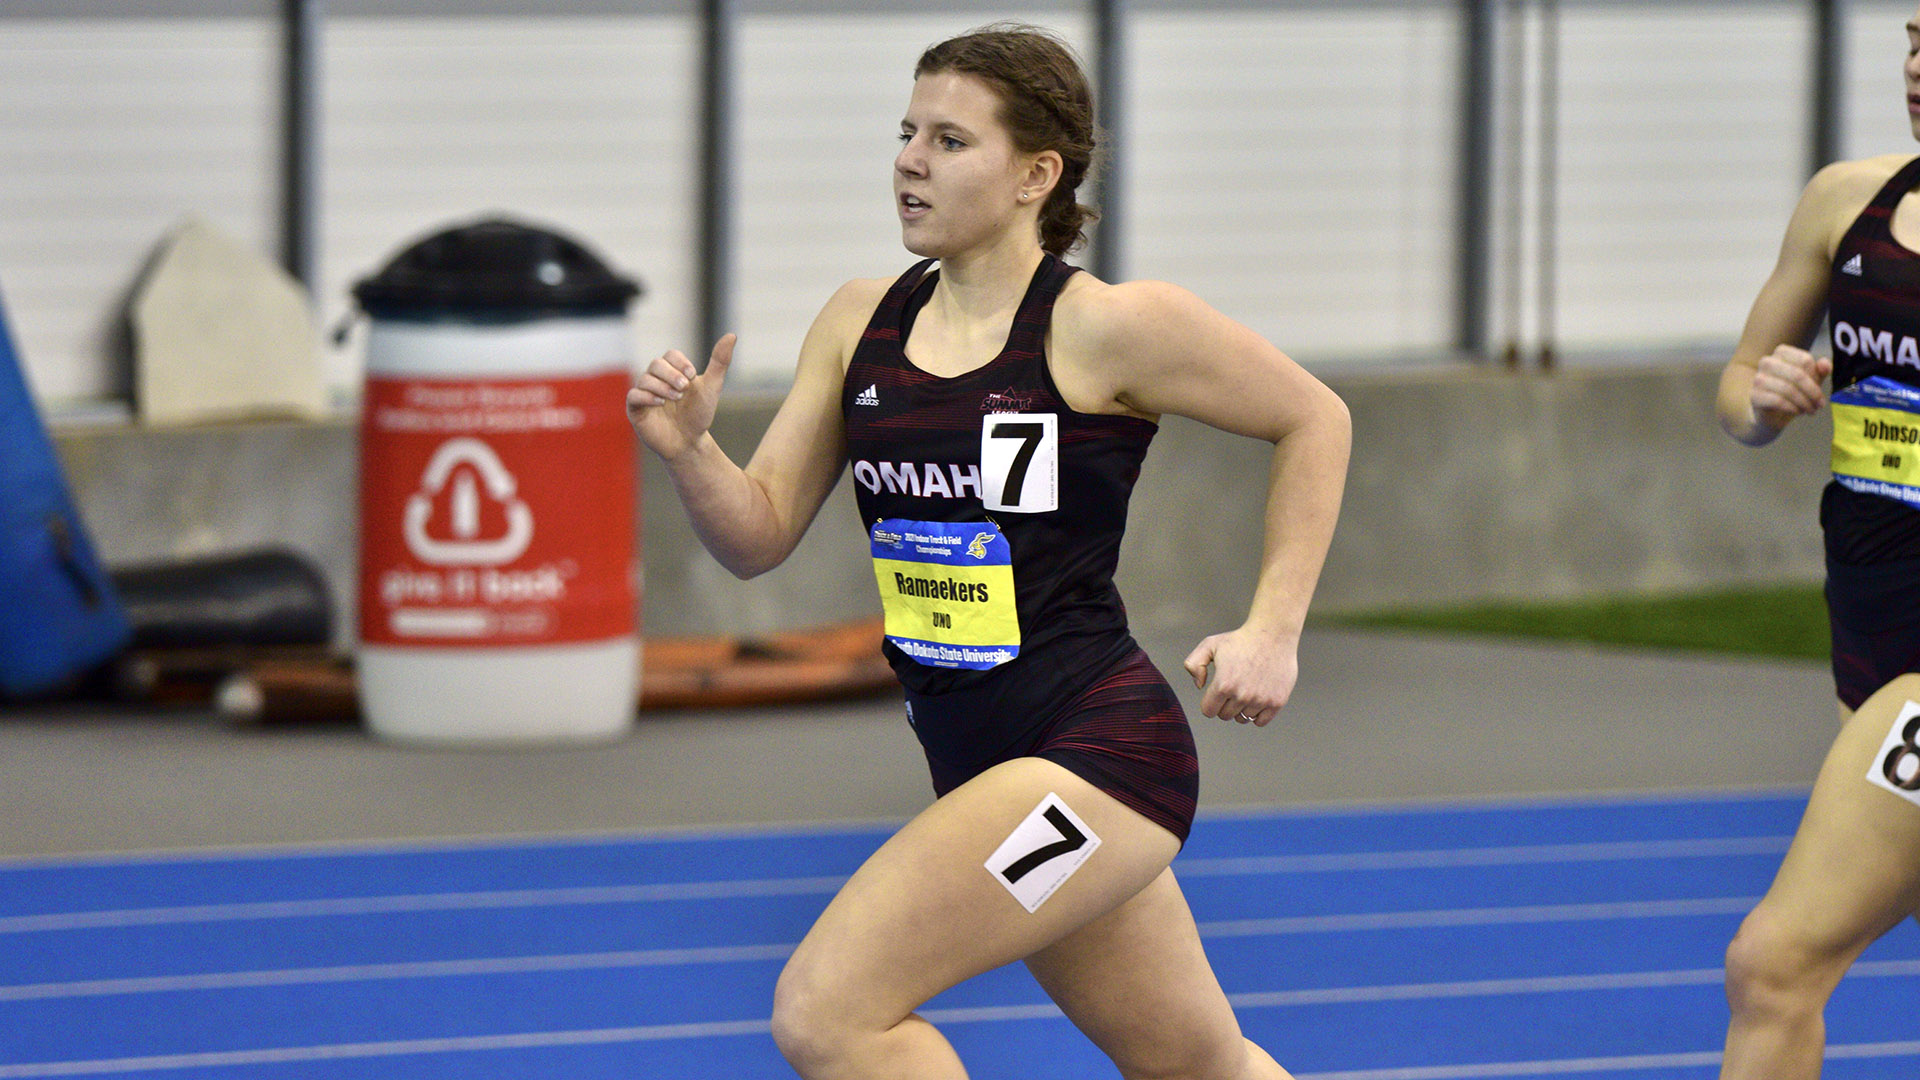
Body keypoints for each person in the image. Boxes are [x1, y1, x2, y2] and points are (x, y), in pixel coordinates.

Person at [628, 23, 1349, 1079]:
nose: (909, 161)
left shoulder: (1105, 327)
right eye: (906, 132)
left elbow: (1315, 419)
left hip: (1097, 761)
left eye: (951, 140)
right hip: (976, 761)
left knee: (828, 1013)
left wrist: (1273, 629)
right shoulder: (859, 322)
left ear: (1035, 176)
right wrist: (692, 455)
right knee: (1201, 1066)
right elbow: (758, 533)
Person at [1714, 8, 1920, 1077]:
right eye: (1917, 43)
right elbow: (1740, 383)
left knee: (1774, 964)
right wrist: (1770, 395)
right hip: (1874, 628)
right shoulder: (1851, 201)